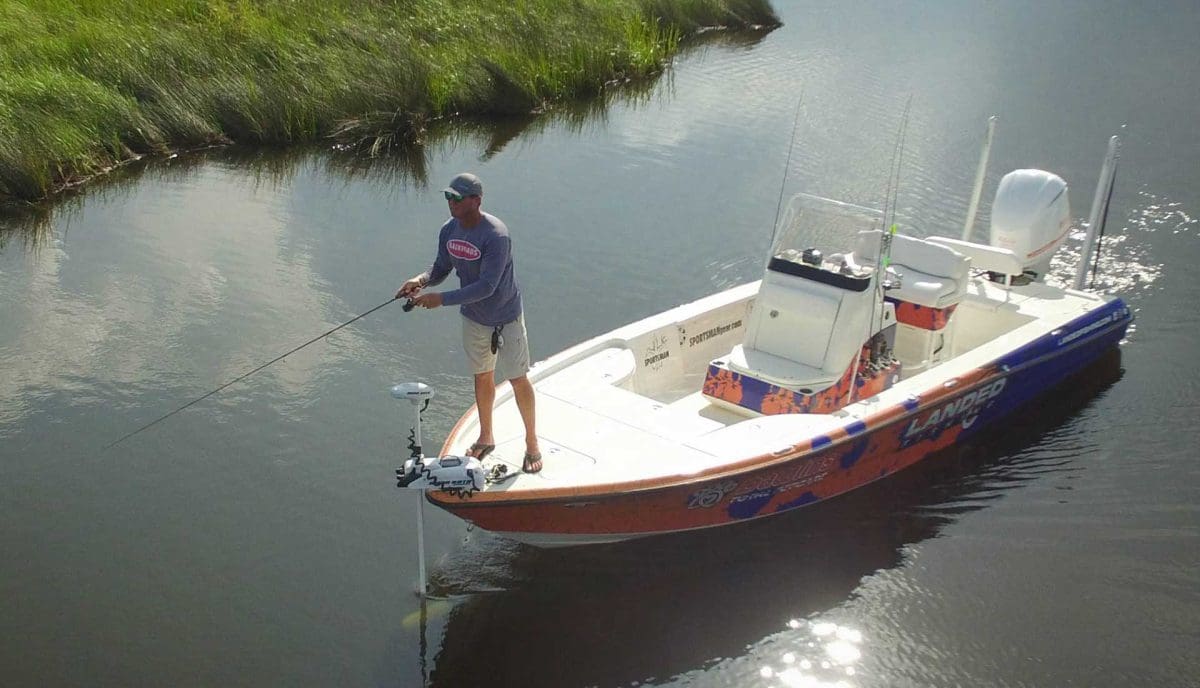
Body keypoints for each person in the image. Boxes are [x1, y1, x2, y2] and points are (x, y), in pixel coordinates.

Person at [396, 173, 542, 473]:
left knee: (517, 378)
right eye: (448, 197)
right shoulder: (449, 230)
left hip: (506, 316)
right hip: (474, 320)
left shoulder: (496, 235)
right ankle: (486, 436)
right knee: (482, 375)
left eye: (457, 198)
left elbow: (487, 286)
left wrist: (441, 299)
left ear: (476, 201)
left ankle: (532, 443)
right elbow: (441, 267)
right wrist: (420, 281)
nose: (451, 203)